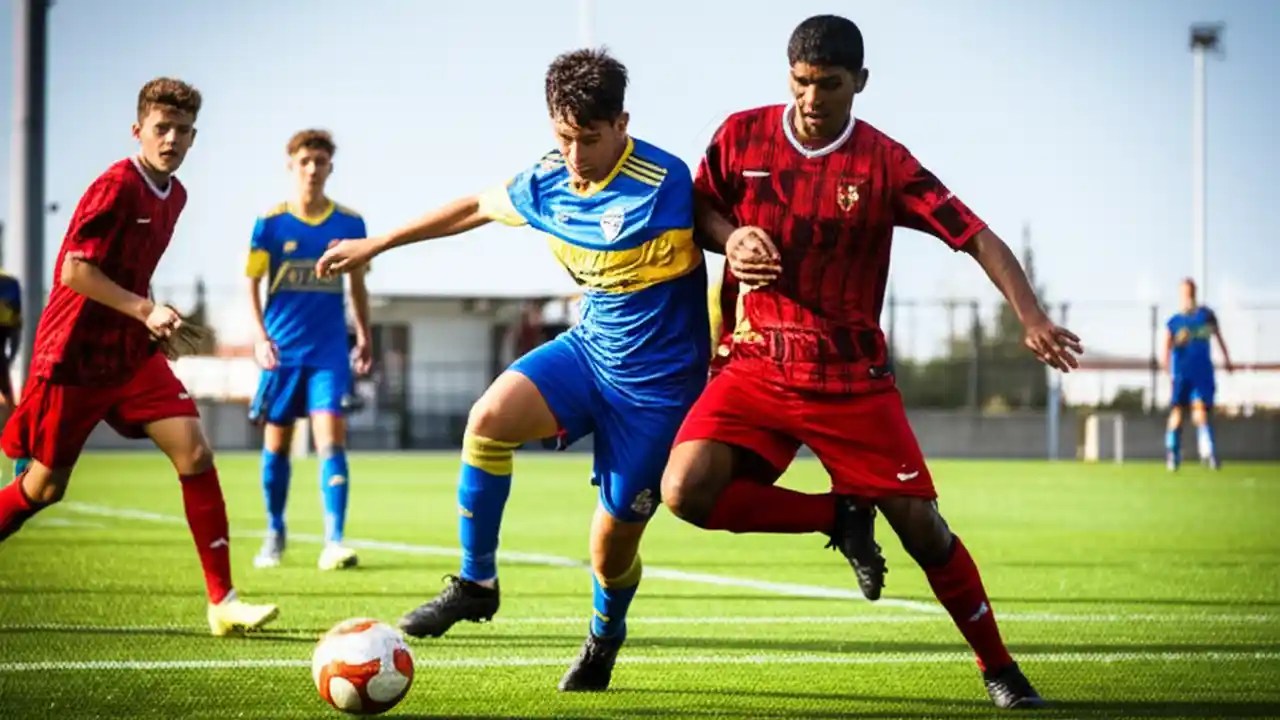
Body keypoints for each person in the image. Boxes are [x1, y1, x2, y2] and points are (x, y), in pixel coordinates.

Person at [660, 16, 1083, 709]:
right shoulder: (740, 136)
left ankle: (999, 668)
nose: (811, 98)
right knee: (686, 491)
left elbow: (975, 237)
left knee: (923, 530)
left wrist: (1030, 317)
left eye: (828, 84)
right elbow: (700, 208)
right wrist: (732, 239)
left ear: (859, 83)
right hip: (756, 363)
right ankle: (839, 517)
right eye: (800, 82)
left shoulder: (885, 164)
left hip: (849, 380)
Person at [316, 48, 708, 692]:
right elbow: (473, 206)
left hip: (658, 392)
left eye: (590, 138)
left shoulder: (662, 183)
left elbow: (713, 222)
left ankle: (605, 635)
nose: (576, 155)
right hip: (589, 351)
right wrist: (377, 242)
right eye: (563, 136)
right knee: (488, 419)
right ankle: (477, 582)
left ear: (622, 124)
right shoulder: (548, 179)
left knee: (609, 554)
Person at [0, 77, 278, 636]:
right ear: (138, 130)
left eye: (181, 131)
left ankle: (222, 602)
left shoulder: (175, 196)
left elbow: (128, 271)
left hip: (129, 353)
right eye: (161, 128)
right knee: (45, 488)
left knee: (195, 453)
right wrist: (143, 310)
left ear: (194, 138)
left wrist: (151, 318)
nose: (171, 139)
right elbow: (75, 271)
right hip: (74, 356)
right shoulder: (115, 185)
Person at [246, 129, 372, 571]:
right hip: (282, 353)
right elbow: (252, 283)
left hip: (329, 353)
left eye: (321, 161)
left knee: (330, 441)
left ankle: (334, 540)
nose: (313, 169)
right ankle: (275, 532)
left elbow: (356, 285)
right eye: (305, 161)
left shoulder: (350, 225)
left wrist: (364, 335)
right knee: (276, 446)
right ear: (291, 165)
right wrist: (260, 337)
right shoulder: (270, 224)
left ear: (330, 167)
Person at [1164, 277, 1232, 470]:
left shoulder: (1206, 316)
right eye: (1185, 292)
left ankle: (1208, 452)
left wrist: (1227, 360)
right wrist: (1167, 368)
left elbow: (1218, 337)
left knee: (1200, 411)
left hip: (1201, 373)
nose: (1188, 296)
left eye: (1191, 291)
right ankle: (1172, 453)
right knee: (1177, 412)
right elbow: (1166, 348)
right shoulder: (1175, 322)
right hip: (1181, 375)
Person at [0, 269, 21, 453]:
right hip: (2, 352)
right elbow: (15, 330)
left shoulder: (9, 283)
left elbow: (15, 329)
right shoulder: (10, 283)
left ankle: (13, 439)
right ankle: (13, 439)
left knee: (7, 396)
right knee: (7, 396)